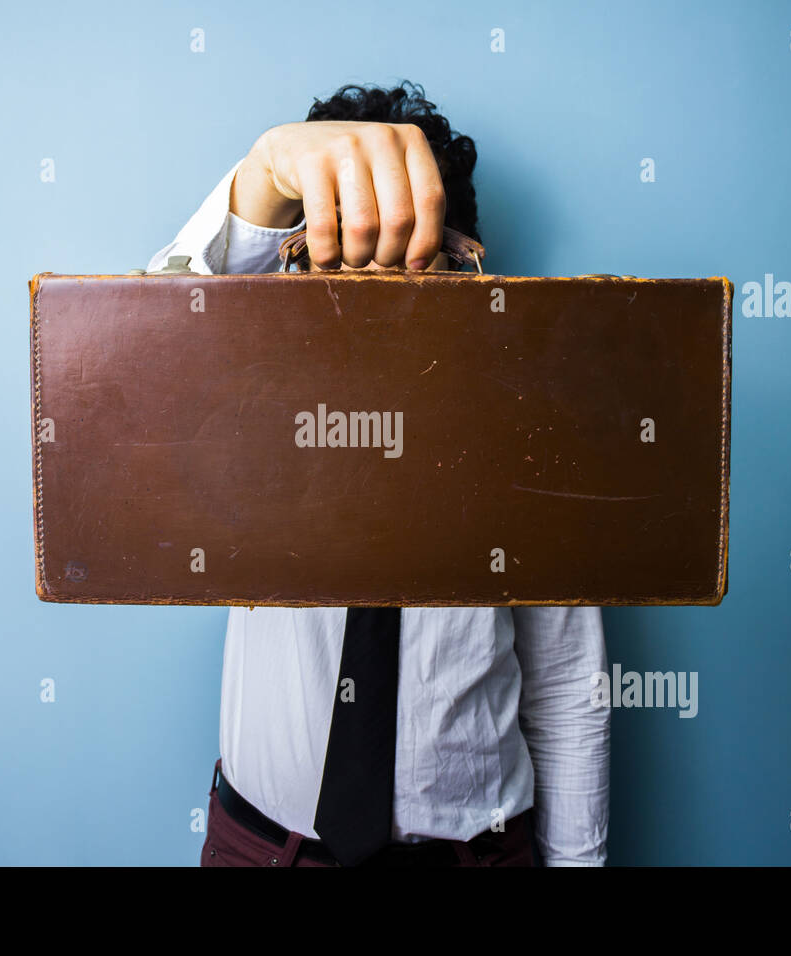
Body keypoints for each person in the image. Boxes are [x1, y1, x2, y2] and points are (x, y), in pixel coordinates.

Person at [148, 81, 610, 867]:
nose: (376, 290)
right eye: (346, 251)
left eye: (406, 252)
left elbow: (569, 688)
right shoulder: (244, 400)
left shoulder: (533, 427)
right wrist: (265, 172)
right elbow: (144, 362)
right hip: (261, 848)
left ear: (460, 259)